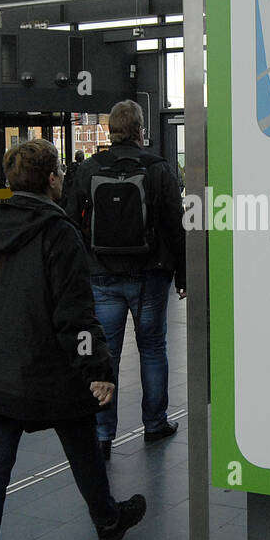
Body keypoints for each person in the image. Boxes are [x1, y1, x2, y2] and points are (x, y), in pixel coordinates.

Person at [0, 138, 146, 540]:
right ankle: (106, 520)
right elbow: (74, 313)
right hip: (49, 364)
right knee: (80, 435)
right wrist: (98, 367)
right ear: (49, 180)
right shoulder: (58, 232)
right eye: (59, 171)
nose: (62, 177)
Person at [69, 99, 186, 459]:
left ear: (109, 130)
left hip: (101, 274)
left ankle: (103, 434)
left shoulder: (89, 169)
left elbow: (71, 222)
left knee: (108, 355)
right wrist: (184, 274)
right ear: (139, 131)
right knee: (152, 349)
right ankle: (155, 424)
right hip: (150, 274)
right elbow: (175, 223)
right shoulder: (158, 168)